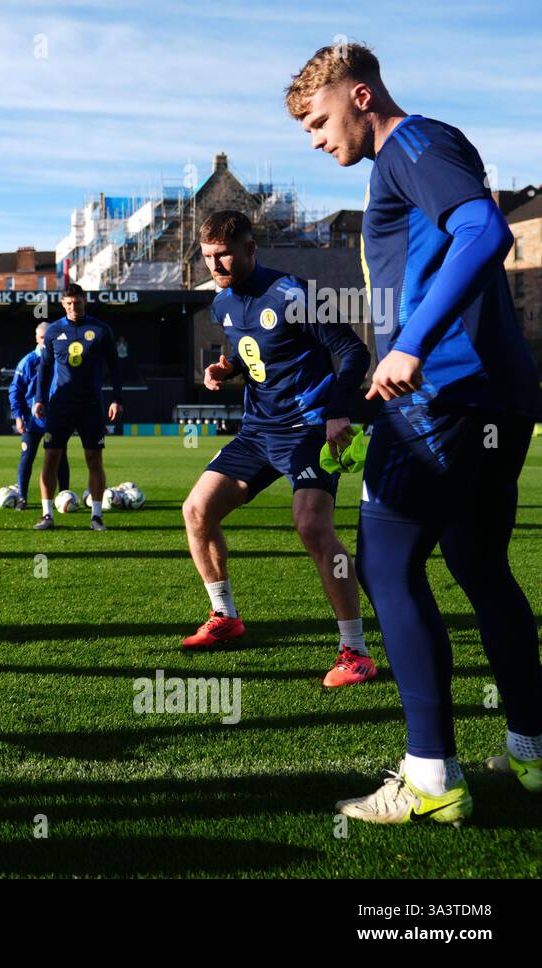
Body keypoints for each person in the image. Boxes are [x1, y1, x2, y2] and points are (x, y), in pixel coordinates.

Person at [288, 42, 542, 823]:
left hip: (443, 396)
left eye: (320, 119)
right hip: (490, 399)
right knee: (477, 562)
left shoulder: (412, 146)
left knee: (387, 566)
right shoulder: (414, 155)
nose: (315, 137)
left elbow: (485, 234)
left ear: (361, 96)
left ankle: (431, 777)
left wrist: (409, 345)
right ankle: (533, 750)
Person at [182, 210, 373, 691]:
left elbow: (353, 352)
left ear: (250, 248)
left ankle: (356, 651)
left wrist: (337, 410)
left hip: (308, 427)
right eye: (208, 257)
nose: (216, 264)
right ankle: (224, 615)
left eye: (224, 254)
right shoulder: (222, 304)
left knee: (312, 525)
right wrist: (227, 369)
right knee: (197, 510)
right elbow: (258, 354)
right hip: (258, 430)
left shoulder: (293, 294)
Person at [31, 283, 124, 531]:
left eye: (78, 303)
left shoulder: (101, 330)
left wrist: (117, 398)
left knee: (94, 459)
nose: (74, 307)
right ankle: (47, 515)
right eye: (69, 304)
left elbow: (115, 367)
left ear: (85, 301)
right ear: (63, 304)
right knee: (51, 457)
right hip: (59, 405)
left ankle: (96, 516)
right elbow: (44, 368)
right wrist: (39, 398)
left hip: (91, 405)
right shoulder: (53, 331)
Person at [8, 321, 68, 510]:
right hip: (32, 421)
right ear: (36, 338)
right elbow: (15, 390)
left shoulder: (60, 360)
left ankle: (65, 497)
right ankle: (22, 497)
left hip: (54, 420)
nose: (45, 341)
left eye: (48, 337)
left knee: (61, 459)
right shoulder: (28, 361)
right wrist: (18, 416)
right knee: (27, 458)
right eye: (42, 337)